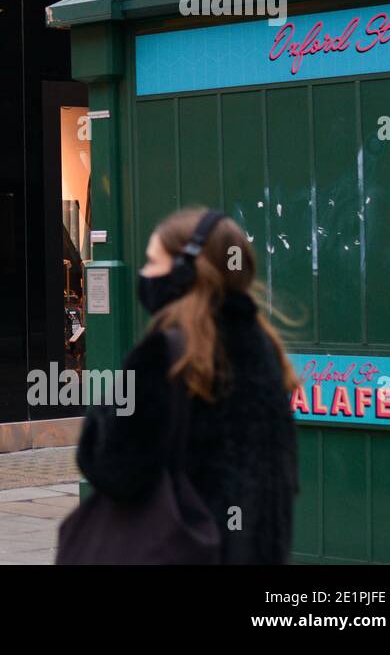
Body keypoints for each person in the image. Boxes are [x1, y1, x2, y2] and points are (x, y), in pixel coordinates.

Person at [76, 207, 300, 563]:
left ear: (184, 273)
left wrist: (104, 410)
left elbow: (113, 468)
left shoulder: (163, 354)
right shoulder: (264, 346)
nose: (144, 273)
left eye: (153, 262)